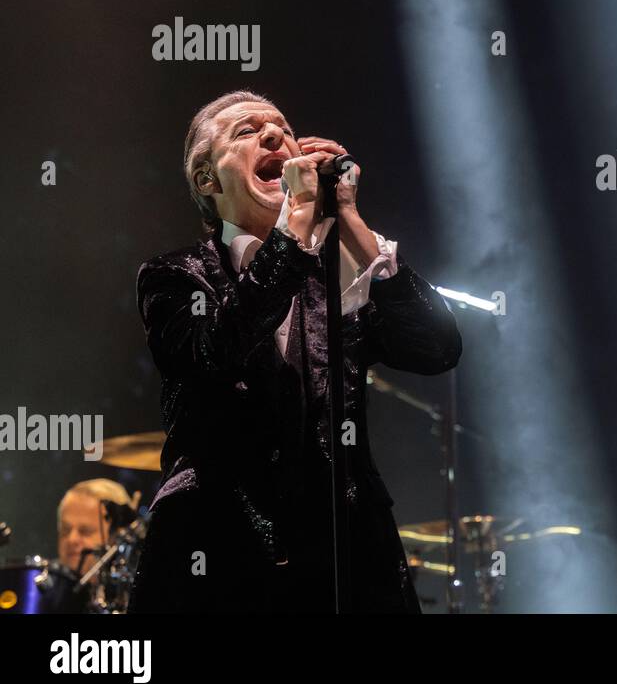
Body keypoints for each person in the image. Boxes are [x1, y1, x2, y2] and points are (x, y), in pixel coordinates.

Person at [129, 91, 462, 612]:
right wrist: (296, 225)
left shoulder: (337, 274)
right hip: (219, 553)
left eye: (282, 128)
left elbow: (436, 348)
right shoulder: (175, 276)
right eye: (245, 131)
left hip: (349, 555)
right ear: (206, 181)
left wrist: (349, 219)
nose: (273, 135)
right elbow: (215, 352)